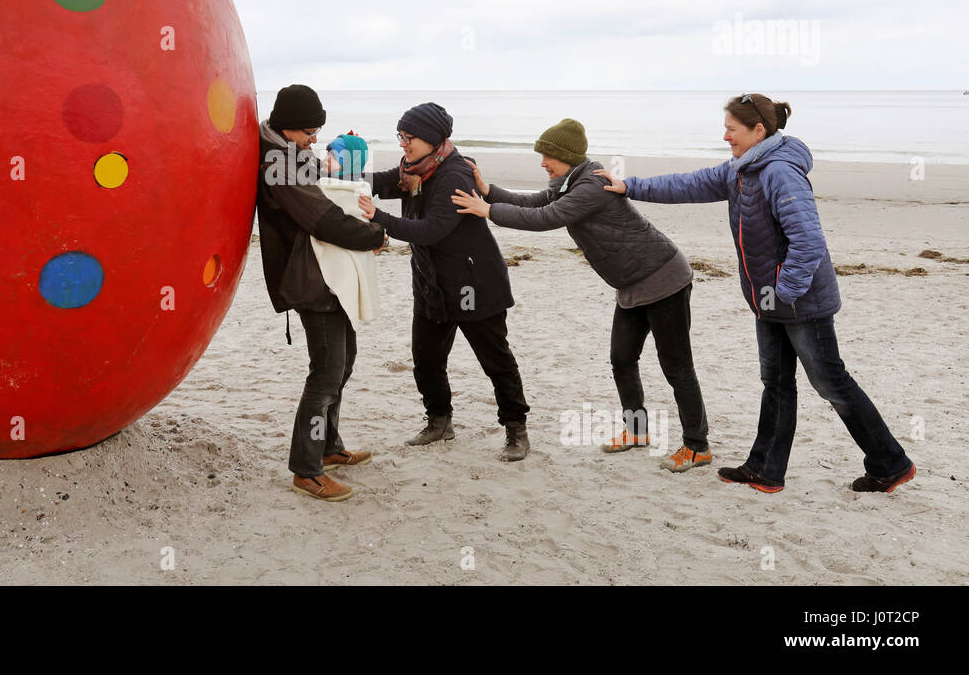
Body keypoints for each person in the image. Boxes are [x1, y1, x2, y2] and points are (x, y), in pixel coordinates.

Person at [597, 94, 915, 494]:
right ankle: (765, 469)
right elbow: (690, 184)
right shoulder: (741, 170)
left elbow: (809, 241)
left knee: (831, 383)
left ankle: (890, 463)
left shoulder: (779, 172)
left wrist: (786, 291)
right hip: (769, 301)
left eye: (732, 128)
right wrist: (630, 185)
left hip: (800, 302)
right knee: (776, 382)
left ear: (758, 130)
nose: (725, 135)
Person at [452, 118, 711, 472]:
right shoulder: (570, 181)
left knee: (677, 368)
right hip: (632, 285)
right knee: (622, 359)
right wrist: (488, 191)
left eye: (548, 156)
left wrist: (488, 211)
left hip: (663, 278)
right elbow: (537, 202)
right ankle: (636, 431)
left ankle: (697, 447)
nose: (543, 162)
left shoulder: (590, 187)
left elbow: (547, 217)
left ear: (567, 156)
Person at [357, 102, 531, 461]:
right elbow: (379, 182)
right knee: (426, 358)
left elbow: (432, 230)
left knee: (495, 360)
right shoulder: (413, 170)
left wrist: (378, 217)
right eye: (400, 137)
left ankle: (516, 429)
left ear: (433, 139)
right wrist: (340, 176)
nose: (403, 144)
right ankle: (439, 421)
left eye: (409, 138)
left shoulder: (455, 174)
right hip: (431, 284)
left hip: (474, 283)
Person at [257, 85, 387, 502]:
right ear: (288, 127)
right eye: (310, 131)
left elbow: (324, 186)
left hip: (326, 270)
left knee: (344, 361)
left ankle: (329, 447)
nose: (316, 138)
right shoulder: (278, 161)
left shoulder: (291, 152)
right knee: (326, 372)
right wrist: (373, 235)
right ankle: (306, 469)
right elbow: (322, 217)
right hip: (310, 275)